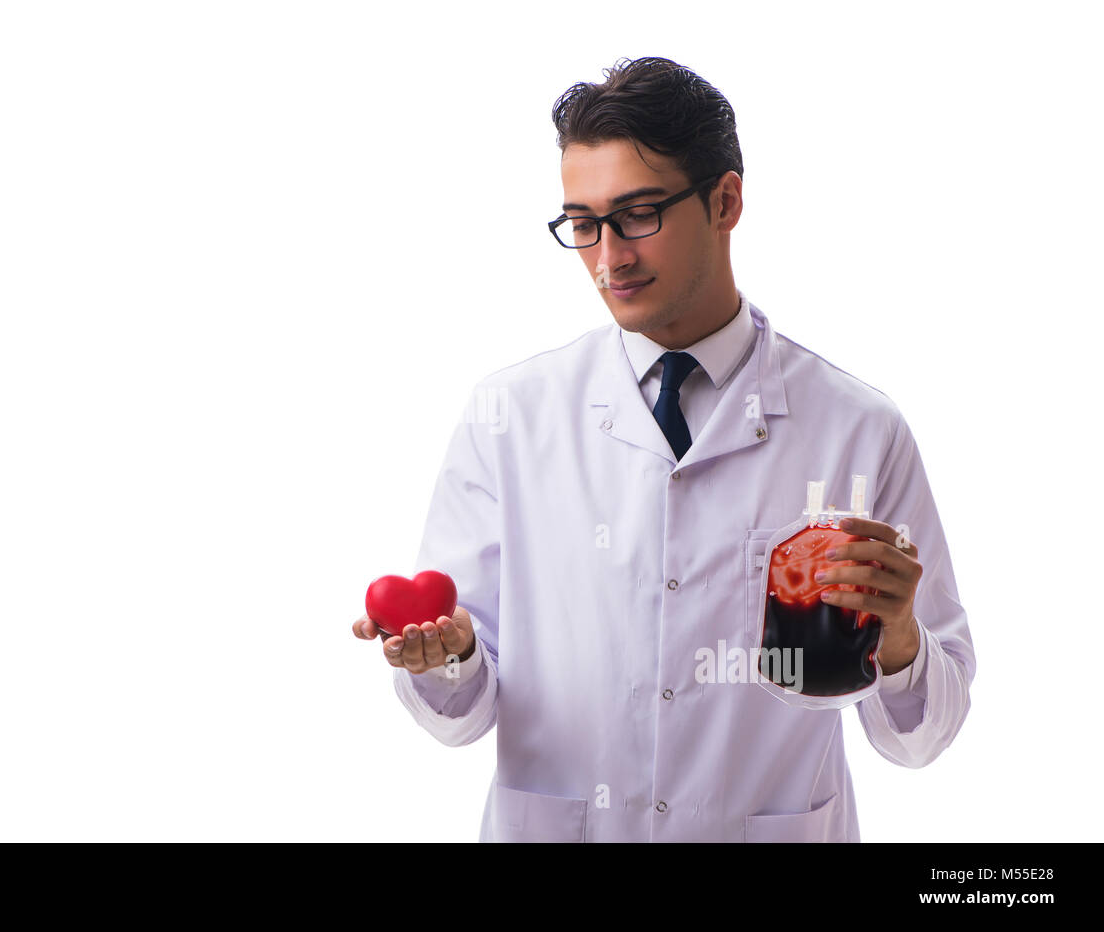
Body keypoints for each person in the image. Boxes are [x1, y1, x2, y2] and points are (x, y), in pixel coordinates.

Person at [352, 56, 975, 841]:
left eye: (638, 214)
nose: (609, 257)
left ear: (726, 200)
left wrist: (901, 640)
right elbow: (459, 714)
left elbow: (922, 737)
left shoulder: (857, 427)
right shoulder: (509, 416)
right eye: (583, 224)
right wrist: (450, 655)